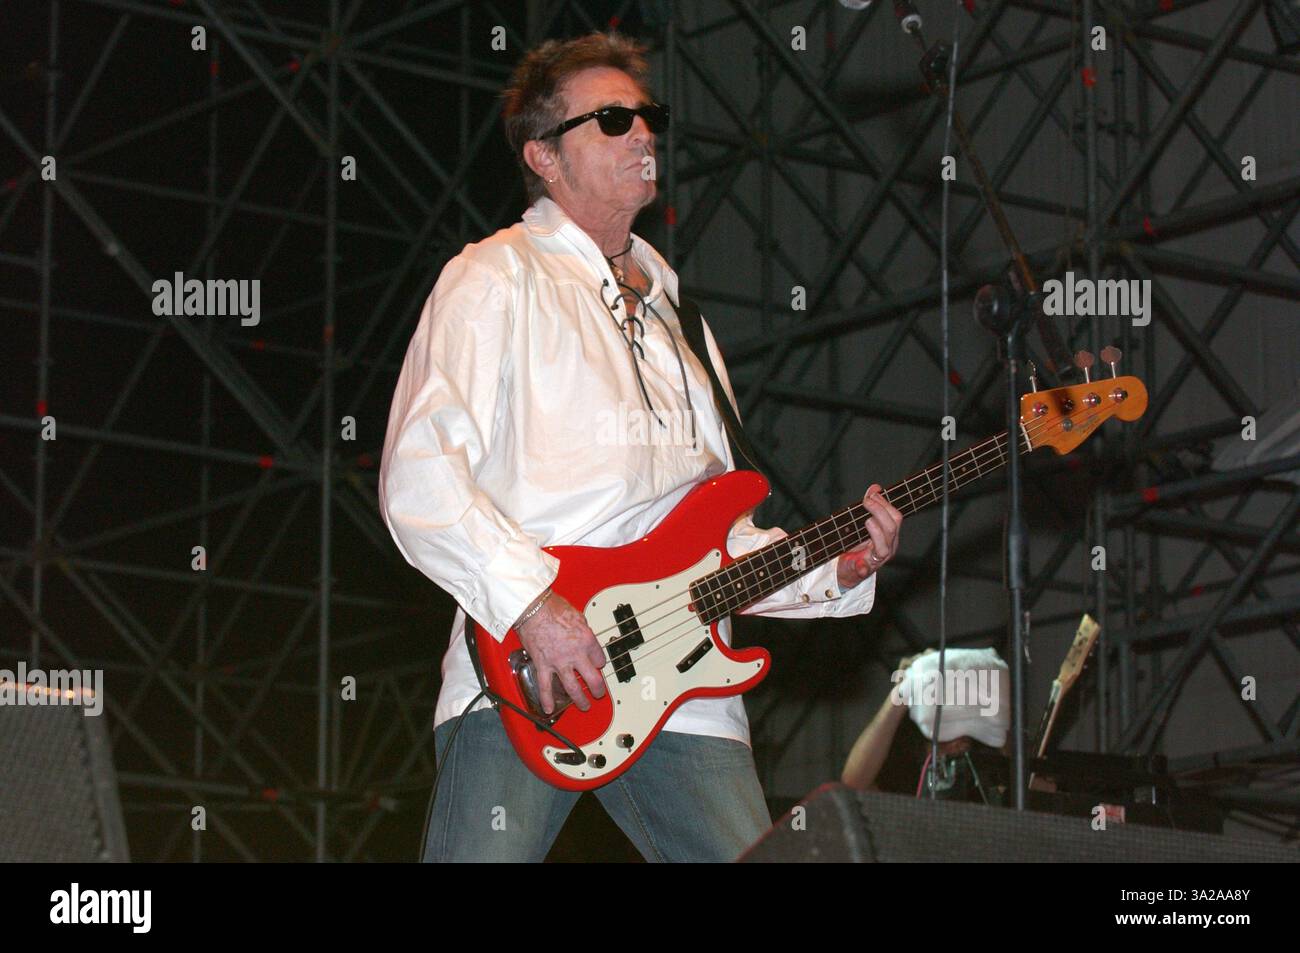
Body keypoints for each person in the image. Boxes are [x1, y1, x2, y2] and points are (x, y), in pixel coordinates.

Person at [378, 31, 904, 863]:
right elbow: (420, 476)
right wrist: (533, 605)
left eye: (648, 116)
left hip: (689, 697)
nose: (644, 134)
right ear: (543, 157)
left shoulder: (683, 323)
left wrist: (834, 570)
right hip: (526, 668)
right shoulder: (496, 275)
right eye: (613, 119)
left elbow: (723, 540)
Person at [842, 648, 1011, 802]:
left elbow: (1024, 780)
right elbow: (854, 785)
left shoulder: (988, 744)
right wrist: (900, 693)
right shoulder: (908, 749)